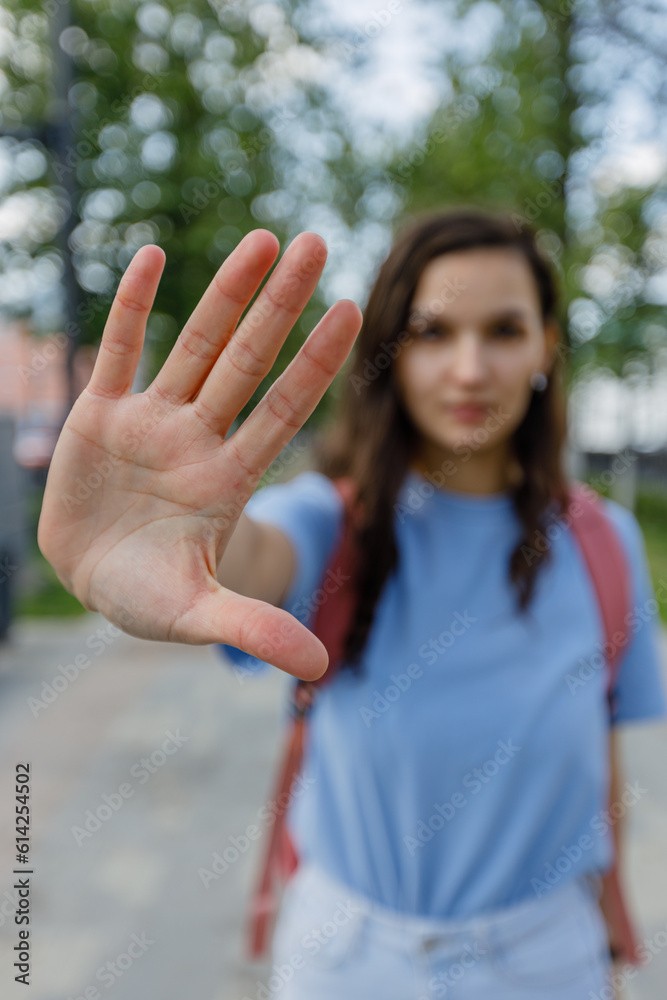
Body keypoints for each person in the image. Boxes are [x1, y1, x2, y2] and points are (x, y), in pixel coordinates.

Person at [38, 208, 667, 1000]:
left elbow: (597, 764)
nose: (470, 369)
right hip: (351, 956)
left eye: (503, 330)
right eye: (433, 332)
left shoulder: (603, 545)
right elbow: (256, 556)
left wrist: (605, 941)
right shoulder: (329, 523)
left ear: (546, 346)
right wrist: (177, 545)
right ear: (391, 355)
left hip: (546, 955)